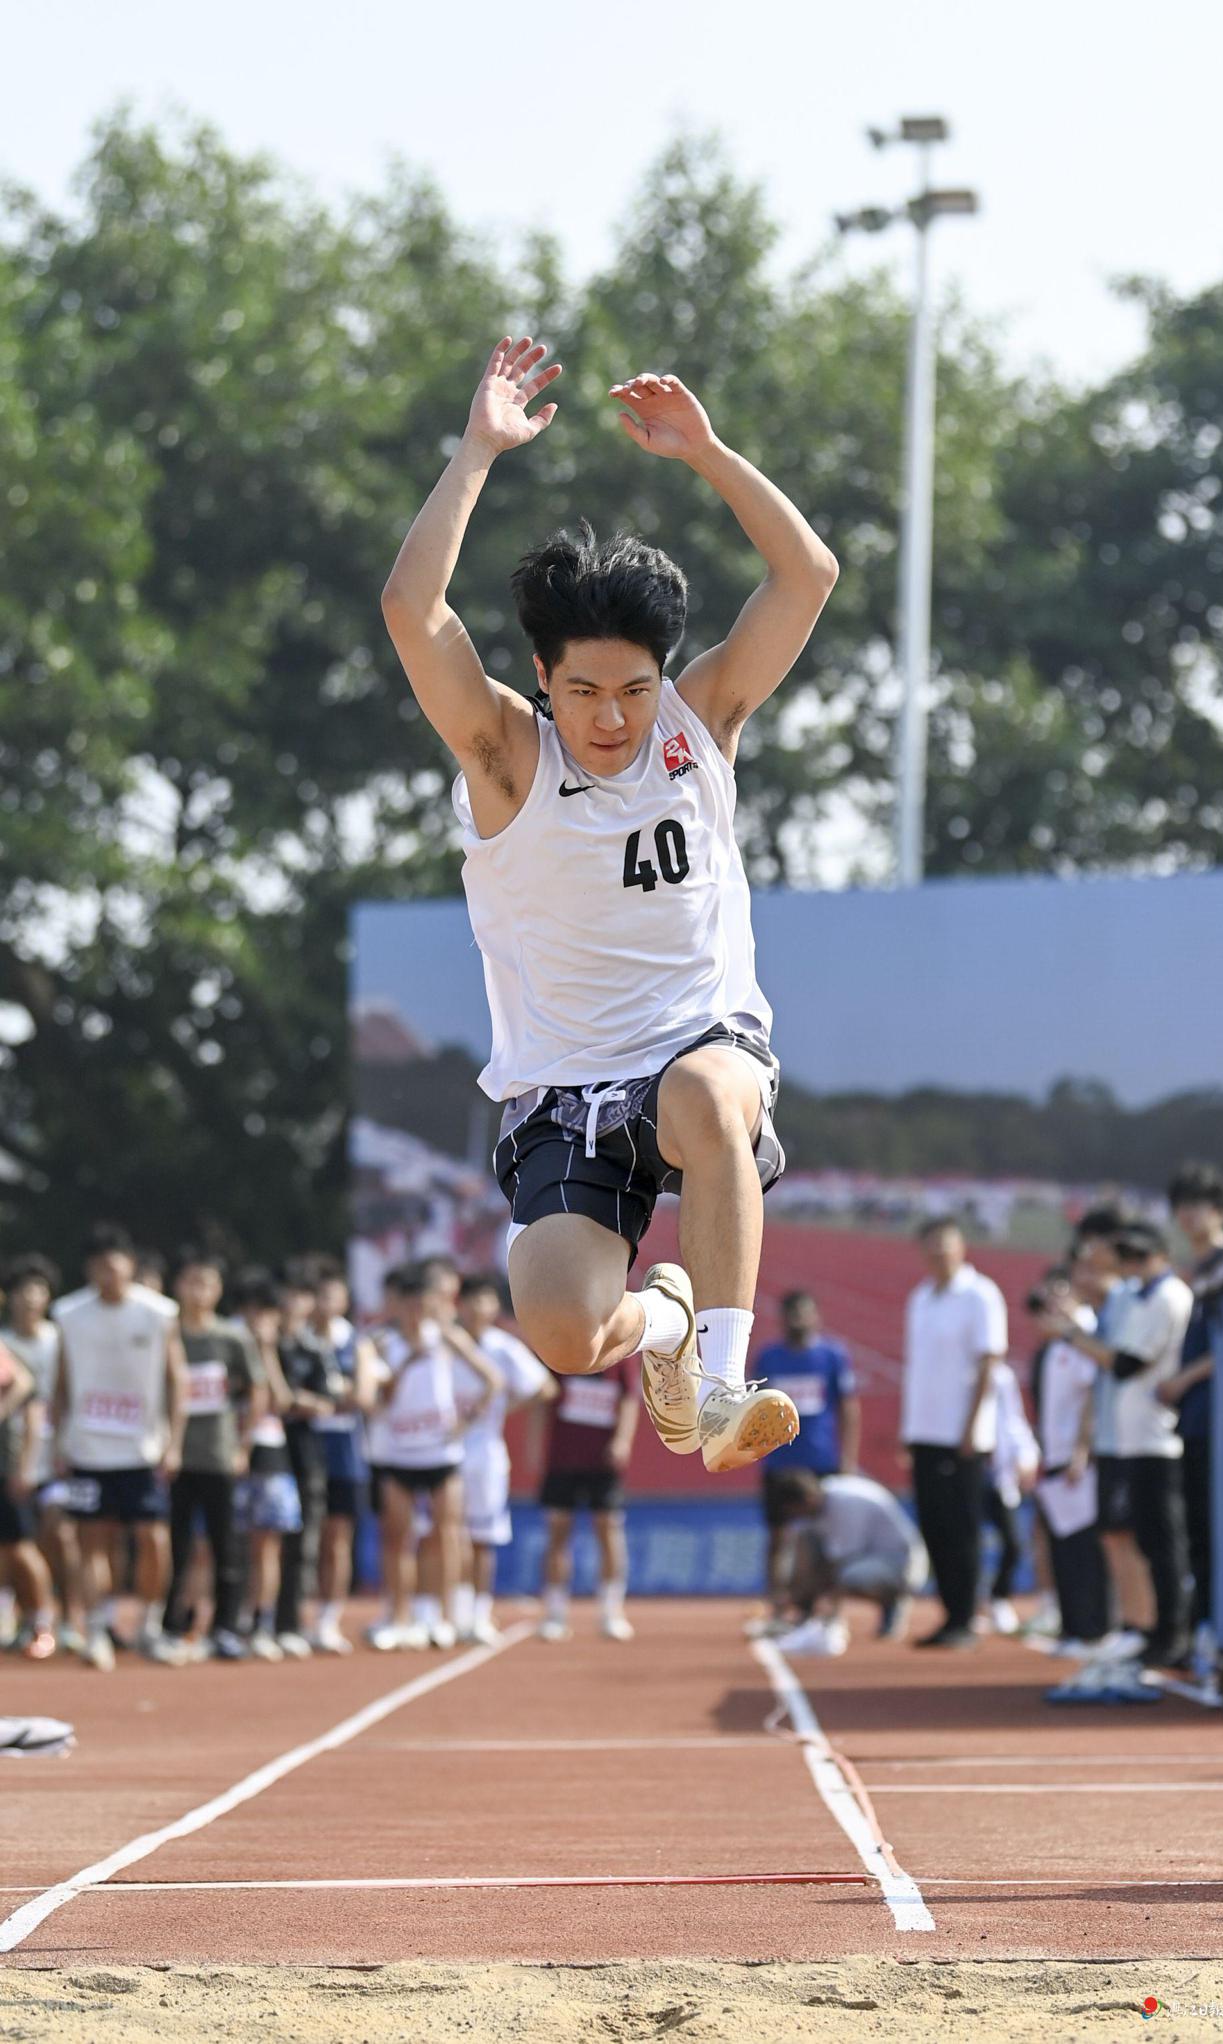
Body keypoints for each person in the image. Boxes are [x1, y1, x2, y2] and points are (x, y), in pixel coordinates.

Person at [380, 338, 840, 1480]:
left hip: (700, 1042)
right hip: (563, 1090)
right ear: (542, 677)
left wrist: (711, 455)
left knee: (702, 1091)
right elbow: (408, 606)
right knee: (564, 1332)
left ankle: (726, 1384)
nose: (610, 717)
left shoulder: (702, 721)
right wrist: (479, 447)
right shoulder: (502, 757)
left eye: (632, 689)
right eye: (582, 690)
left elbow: (807, 577)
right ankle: (672, 1326)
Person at [1044, 1221, 1193, 1668]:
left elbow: (1125, 1363)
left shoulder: (1167, 1296)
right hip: (1127, 1437)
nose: (1133, 1265)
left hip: (1156, 1437)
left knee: (1163, 1545)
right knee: (1139, 1538)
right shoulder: (1136, 1295)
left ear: (1162, 1255)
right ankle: (1148, 1630)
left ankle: (1170, 1632)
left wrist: (1072, 1335)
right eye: (1128, 1257)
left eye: (1140, 1257)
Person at [50, 1224, 187, 1669]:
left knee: (153, 1537)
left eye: (116, 1262)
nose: (109, 1272)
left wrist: (174, 1441)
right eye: (99, 1264)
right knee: (92, 1541)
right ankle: (96, 1630)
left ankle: (147, 1627)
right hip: (88, 1447)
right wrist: (58, 1441)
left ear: (130, 1264)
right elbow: (61, 1383)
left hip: (143, 1448)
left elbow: (176, 1378)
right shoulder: (69, 1314)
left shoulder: (159, 1313)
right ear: (89, 1269)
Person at [366, 1261, 505, 1651]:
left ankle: (442, 1617)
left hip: (442, 1455)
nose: (414, 1311)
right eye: (407, 1303)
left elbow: (492, 1379)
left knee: (446, 1536)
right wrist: (399, 1367)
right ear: (397, 1305)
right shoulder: (383, 1344)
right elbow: (378, 1398)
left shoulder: (445, 1337)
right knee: (398, 1538)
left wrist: (464, 1423)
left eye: (421, 1302)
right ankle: (399, 1617)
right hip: (399, 1455)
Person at [899, 1217, 1009, 1648]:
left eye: (946, 1246)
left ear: (962, 1248)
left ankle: (966, 1615)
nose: (939, 1255)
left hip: (961, 1435)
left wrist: (971, 1427)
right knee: (934, 1527)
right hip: (924, 1432)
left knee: (963, 1528)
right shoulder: (921, 1297)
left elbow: (989, 1364)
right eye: (931, 1248)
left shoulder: (981, 1295)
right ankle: (949, 1613)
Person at [160, 1250, 266, 1662]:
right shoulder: (168, 1335)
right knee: (177, 1546)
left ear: (219, 1290)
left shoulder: (231, 1337)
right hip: (175, 1459)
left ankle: (225, 1627)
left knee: (226, 1546)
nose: (199, 1291)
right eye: (191, 1281)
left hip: (220, 1455)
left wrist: (243, 1445)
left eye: (207, 1282)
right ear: (178, 1287)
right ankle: (172, 1624)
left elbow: (258, 1389)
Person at [449, 1273, 556, 1645]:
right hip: (445, 1454)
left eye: (486, 1301)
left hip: (486, 1454)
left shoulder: (502, 1347)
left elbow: (545, 1386)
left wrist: (504, 1408)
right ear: (458, 1306)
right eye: (472, 1300)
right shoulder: (446, 1343)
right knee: (448, 1536)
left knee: (483, 1536)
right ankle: (454, 1611)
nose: (479, 1308)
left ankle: (478, 1612)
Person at [749, 1291, 860, 1626]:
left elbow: (848, 1409)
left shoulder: (832, 1356)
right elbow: (752, 1407)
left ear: (816, 1316)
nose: (798, 1319)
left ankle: (822, 1606)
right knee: (778, 1536)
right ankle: (777, 1606)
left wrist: (848, 1458)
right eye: (791, 1313)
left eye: (804, 1312)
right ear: (781, 1318)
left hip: (821, 1459)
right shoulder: (768, 1359)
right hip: (779, 1461)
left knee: (825, 1537)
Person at [1068, 1205, 1148, 1647]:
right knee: (1114, 1535)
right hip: (1112, 1434)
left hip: (1140, 1436)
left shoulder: (1130, 1297)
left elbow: (1120, 1363)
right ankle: (1128, 1629)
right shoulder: (1114, 1299)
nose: (1085, 1255)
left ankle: (1141, 1629)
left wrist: (1071, 1334)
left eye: (1091, 1245)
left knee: (1132, 1536)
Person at [1164, 1161, 1223, 1673]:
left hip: (1222, 1423)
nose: (1188, 1215)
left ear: (1221, 1212)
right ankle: (1200, 1624)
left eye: (1198, 1205)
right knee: (1195, 1530)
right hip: (1192, 1421)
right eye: (1182, 1206)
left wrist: (1184, 1380)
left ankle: (1212, 1628)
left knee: (1213, 1530)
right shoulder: (1196, 1272)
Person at [529, 1358, 641, 1642]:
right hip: (562, 1459)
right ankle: (554, 1613)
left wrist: (623, 1440)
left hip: (603, 1461)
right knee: (558, 1531)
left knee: (608, 1528)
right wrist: (536, 1446)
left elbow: (630, 1398)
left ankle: (611, 1611)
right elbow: (543, 1397)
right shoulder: (561, 1346)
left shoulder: (619, 1352)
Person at [1027, 1267, 1109, 1650]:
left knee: (1083, 1548)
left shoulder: (1084, 1335)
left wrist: (1081, 1450)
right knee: (1063, 1546)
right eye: (1048, 1294)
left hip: (1081, 1460)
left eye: (1061, 1291)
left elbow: (1093, 1395)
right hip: (1056, 1455)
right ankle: (1073, 1626)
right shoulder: (1056, 1342)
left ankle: (1092, 1628)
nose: (1053, 1300)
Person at [763, 1466, 930, 1654]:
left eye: (795, 1511)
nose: (795, 1517)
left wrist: (823, 1614)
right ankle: (807, 1617)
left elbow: (839, 1563)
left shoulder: (845, 1503)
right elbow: (803, 1556)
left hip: (903, 1565)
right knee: (810, 1548)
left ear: (807, 1500)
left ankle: (890, 1602)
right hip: (873, 1558)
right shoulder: (819, 1501)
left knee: (847, 1576)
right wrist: (792, 1594)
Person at [0, 1254, 75, 1652]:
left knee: (58, 1538)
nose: (30, 1298)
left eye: (38, 1290)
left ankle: (63, 1619)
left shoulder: (60, 1339)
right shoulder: (5, 1341)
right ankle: (20, 1617)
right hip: (13, 1457)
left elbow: (33, 1395)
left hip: (55, 1455)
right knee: (14, 1544)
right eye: (21, 1290)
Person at [273, 1258, 344, 1658]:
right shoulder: (260, 1342)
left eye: (301, 1296)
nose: (293, 1303)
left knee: (304, 1541)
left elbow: (330, 1401)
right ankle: (251, 1620)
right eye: (287, 1295)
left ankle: (289, 1623)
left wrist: (296, 1402)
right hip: (264, 1450)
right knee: (257, 1540)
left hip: (305, 1453)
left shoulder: (315, 1347)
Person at [309, 1257, 380, 1655]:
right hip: (302, 1450)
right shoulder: (298, 1338)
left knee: (337, 1538)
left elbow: (364, 1397)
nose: (324, 1304)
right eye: (317, 1296)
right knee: (301, 1539)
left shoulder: (356, 1342)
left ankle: (327, 1618)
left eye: (331, 1296)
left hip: (346, 1454)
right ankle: (282, 1617)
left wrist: (327, 1397)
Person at [235, 1273, 305, 1662]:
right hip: (224, 1453)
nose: (259, 1320)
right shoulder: (225, 1342)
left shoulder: (283, 1348)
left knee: (267, 1545)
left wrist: (265, 1352)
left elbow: (281, 1400)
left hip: (271, 1451)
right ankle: (218, 1622)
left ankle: (261, 1623)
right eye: (252, 1311)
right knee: (212, 1547)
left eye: (267, 1313)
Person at [0, 1335, 56, 1658]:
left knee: (20, 1547)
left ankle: (42, 1624)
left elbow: (22, 1383)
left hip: (4, 1466)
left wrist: (24, 1467)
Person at [978, 1359, 1040, 1635]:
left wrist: (1026, 1456)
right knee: (964, 1543)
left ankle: (999, 1598)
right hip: (965, 1470)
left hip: (998, 1475)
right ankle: (968, 1607)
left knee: (1013, 1543)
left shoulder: (1002, 1376)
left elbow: (1012, 1418)